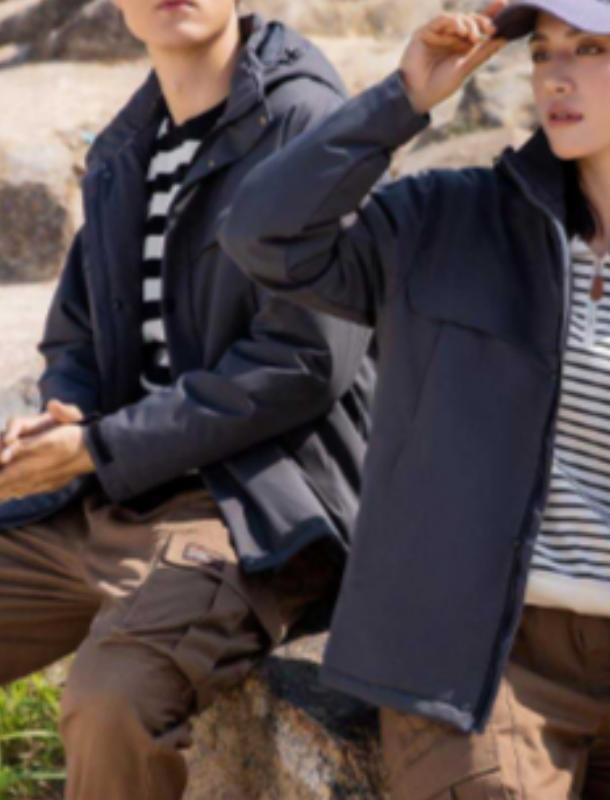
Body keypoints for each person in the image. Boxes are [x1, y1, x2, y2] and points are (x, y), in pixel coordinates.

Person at [218, 0, 610, 797]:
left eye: (589, 49)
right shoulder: (448, 221)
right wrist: (403, 97)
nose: (556, 75)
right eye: (543, 52)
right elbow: (261, 235)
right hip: (480, 662)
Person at [0, 1, 374, 798]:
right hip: (112, 494)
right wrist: (67, 414)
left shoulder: (305, 123)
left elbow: (304, 361)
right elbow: (76, 337)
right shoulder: (125, 147)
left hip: (250, 506)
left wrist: (97, 447)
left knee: (112, 701)